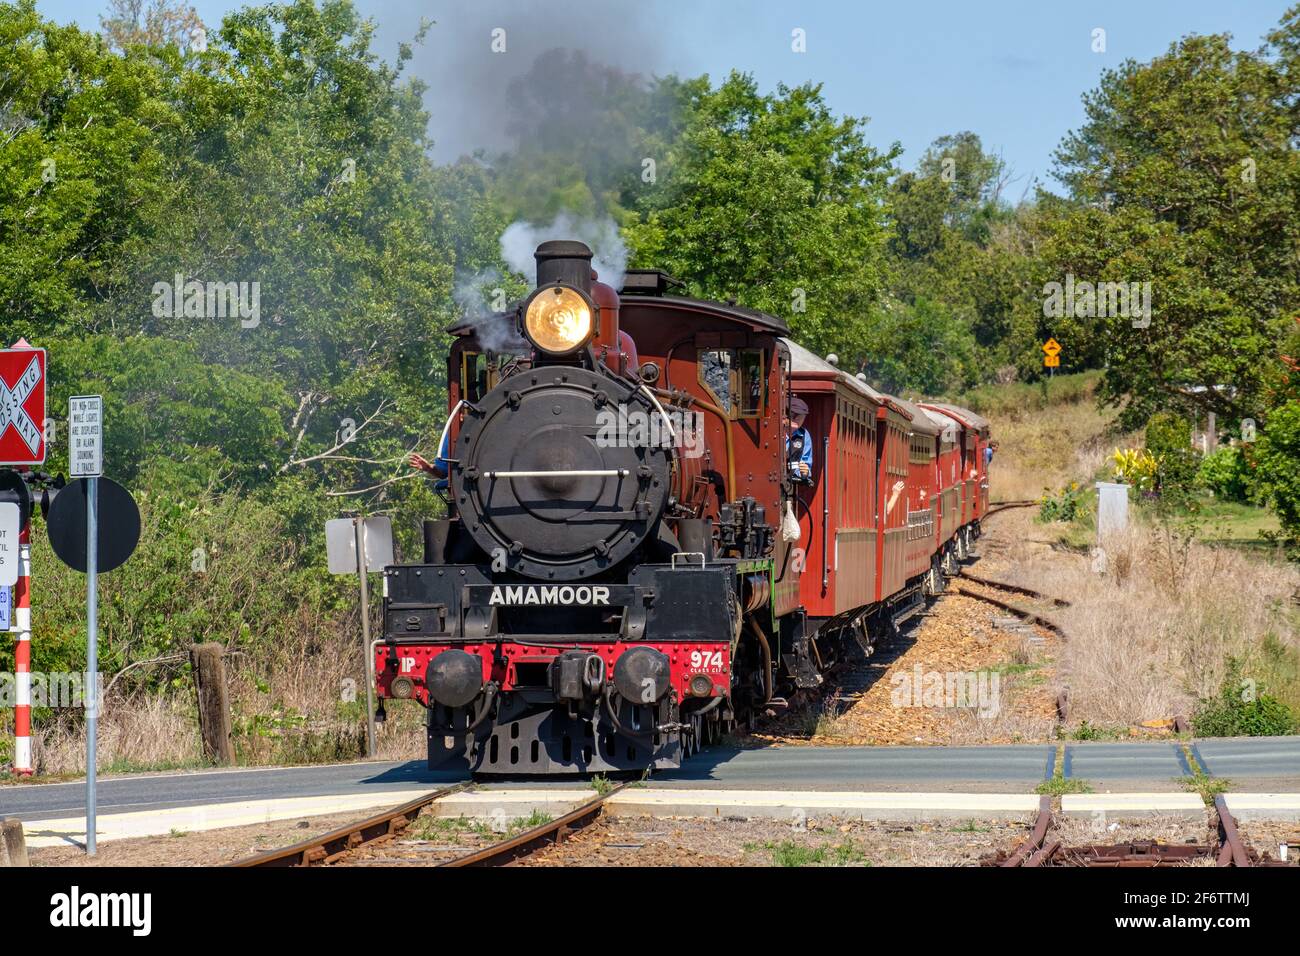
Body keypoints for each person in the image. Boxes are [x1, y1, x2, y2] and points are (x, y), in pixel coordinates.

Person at [785, 395, 813, 484]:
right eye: (793, 414)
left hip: (790, 487)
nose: (797, 418)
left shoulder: (804, 435)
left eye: (801, 416)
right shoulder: (772, 432)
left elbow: (805, 462)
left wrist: (805, 472)